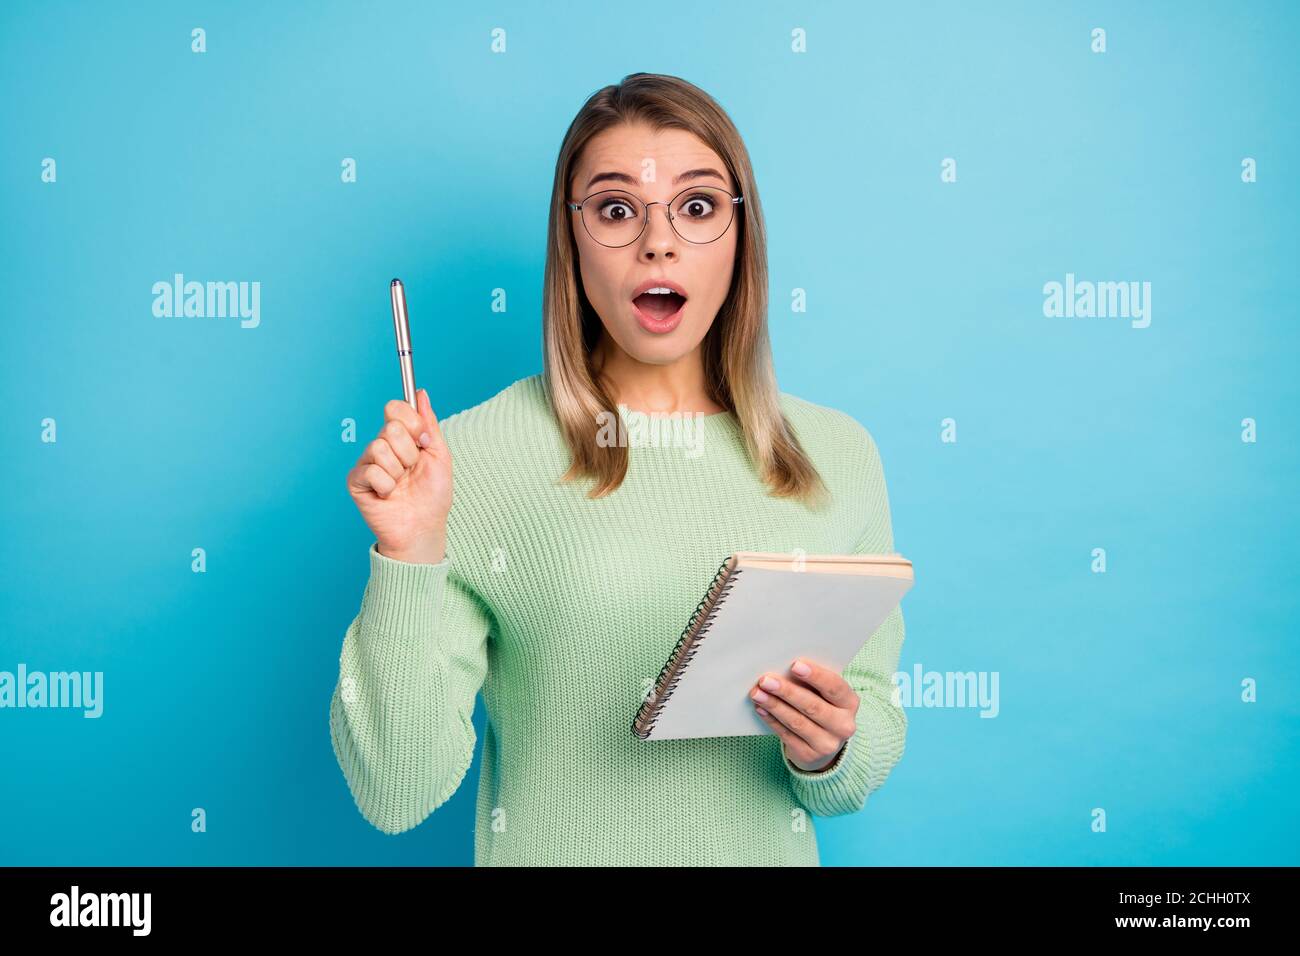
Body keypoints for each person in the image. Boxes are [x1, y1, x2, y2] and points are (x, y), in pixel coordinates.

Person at [330, 72, 908, 866]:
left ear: (743, 236)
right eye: (614, 210)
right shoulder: (472, 460)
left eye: (698, 206)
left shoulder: (837, 456)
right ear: (570, 239)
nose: (658, 242)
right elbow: (395, 792)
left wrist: (829, 747)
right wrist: (408, 553)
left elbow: (862, 741)